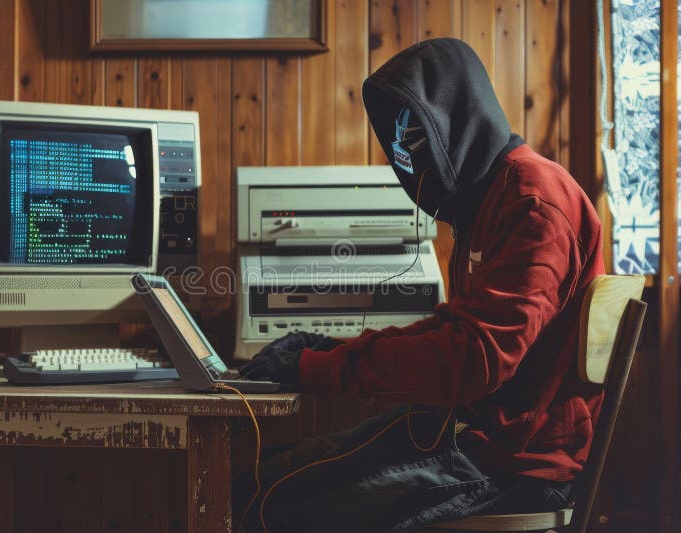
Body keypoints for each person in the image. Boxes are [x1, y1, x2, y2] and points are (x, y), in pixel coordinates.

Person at [237, 37, 605, 532]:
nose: (407, 158)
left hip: (516, 466)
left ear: (456, 120)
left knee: (269, 502)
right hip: (477, 437)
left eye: (415, 137)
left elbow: (473, 359)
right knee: (265, 474)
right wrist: (329, 350)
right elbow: (456, 332)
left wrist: (316, 368)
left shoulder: (533, 202)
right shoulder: (490, 197)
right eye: (397, 143)